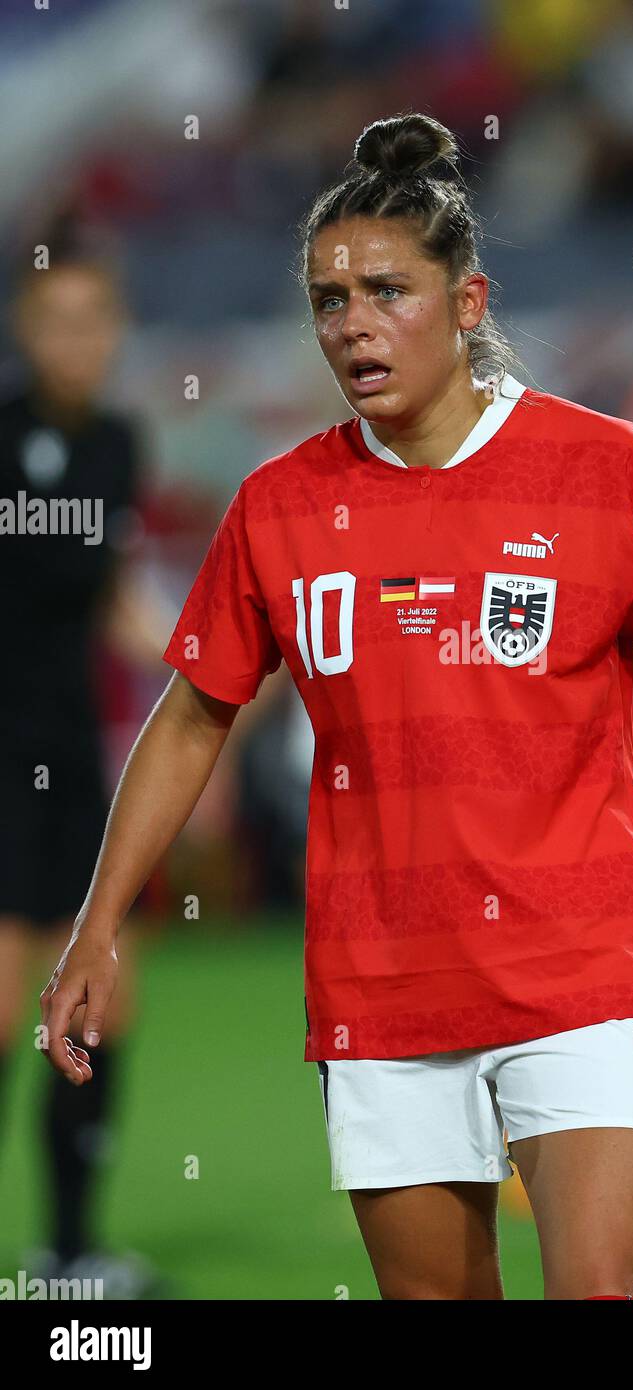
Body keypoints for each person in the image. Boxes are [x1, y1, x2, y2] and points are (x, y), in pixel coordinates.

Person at [40, 114, 633, 1301]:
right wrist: (98, 920)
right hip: (383, 983)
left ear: (467, 299)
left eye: (386, 290)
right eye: (328, 298)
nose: (351, 323)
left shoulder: (610, 471)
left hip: (585, 972)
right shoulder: (278, 509)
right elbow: (192, 718)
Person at [0, 232, 166, 1295]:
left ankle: (68, 1252)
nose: (78, 341)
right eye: (57, 321)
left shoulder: (118, 443)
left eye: (94, 321)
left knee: (103, 1006)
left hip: (71, 755)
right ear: (24, 331)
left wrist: (228, 660)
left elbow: (114, 605)